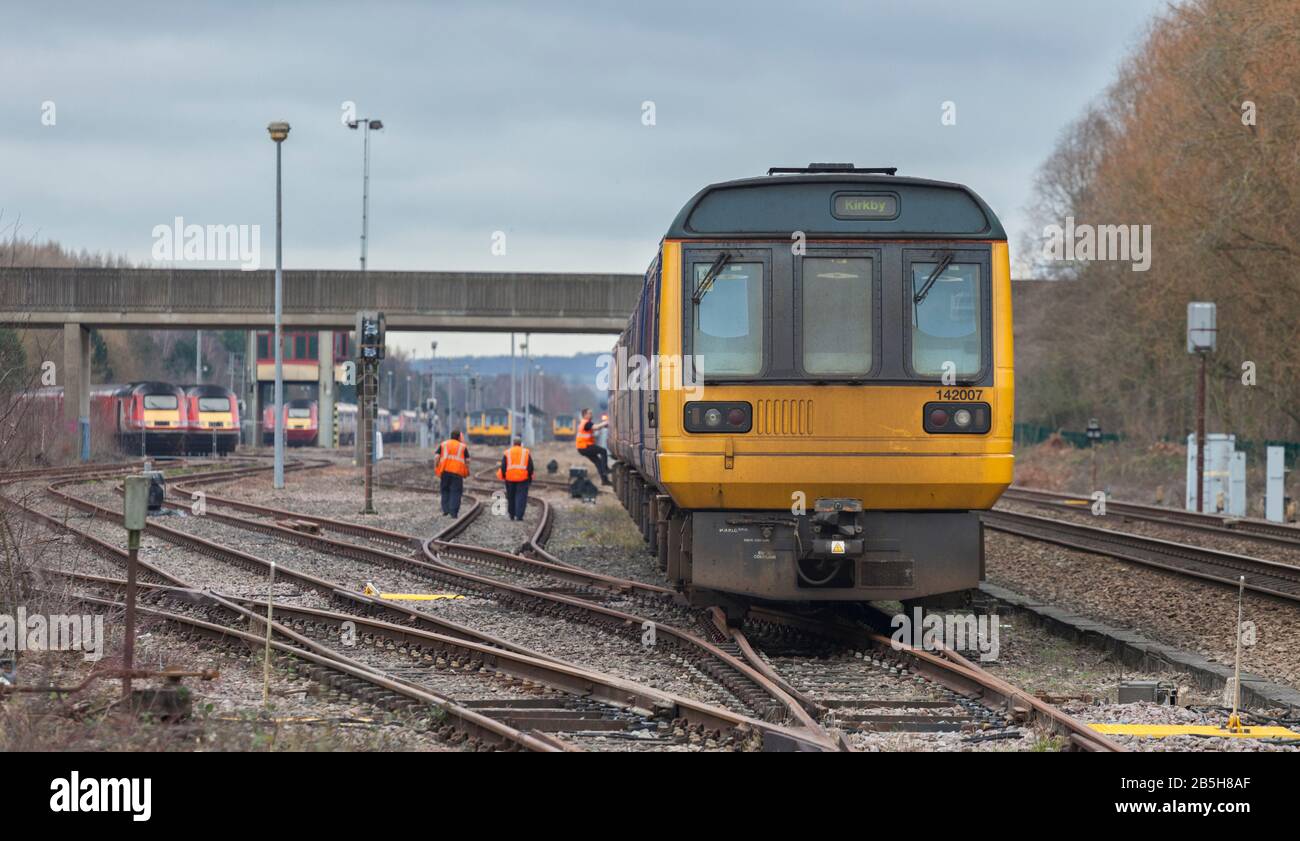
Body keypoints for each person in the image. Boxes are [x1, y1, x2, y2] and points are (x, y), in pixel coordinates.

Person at [434, 430, 470, 517]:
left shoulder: (444, 444)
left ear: (451, 436)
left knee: (445, 490)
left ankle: (445, 509)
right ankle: (453, 513)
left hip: (445, 471)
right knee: (456, 492)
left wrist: (436, 466)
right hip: (457, 473)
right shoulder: (462, 446)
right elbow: (468, 460)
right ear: (458, 437)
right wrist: (466, 469)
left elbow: (436, 456)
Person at [499, 436, 533, 521]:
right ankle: (519, 515)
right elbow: (530, 466)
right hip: (523, 478)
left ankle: (512, 514)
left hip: (510, 478)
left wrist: (503, 476)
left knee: (511, 497)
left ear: (513, 444)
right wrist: (529, 477)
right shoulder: (526, 452)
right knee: (521, 497)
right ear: (521, 444)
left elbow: (503, 466)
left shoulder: (507, 452)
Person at [576, 407, 611, 486]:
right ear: (585, 415)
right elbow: (596, 427)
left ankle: (604, 480)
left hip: (582, 447)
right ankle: (605, 469)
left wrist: (603, 426)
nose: (591, 415)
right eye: (589, 413)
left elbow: (595, 428)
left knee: (598, 462)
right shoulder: (586, 423)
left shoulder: (585, 423)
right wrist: (606, 423)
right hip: (585, 446)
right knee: (603, 451)